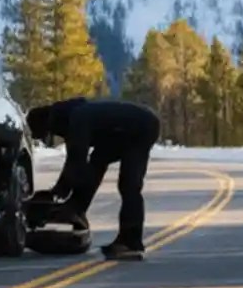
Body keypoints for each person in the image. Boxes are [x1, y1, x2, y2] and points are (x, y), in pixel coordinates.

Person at [25, 98, 160, 261]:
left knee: (129, 185)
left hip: (141, 127)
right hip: (123, 129)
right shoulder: (73, 113)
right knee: (97, 164)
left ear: (48, 124)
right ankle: (77, 209)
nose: (52, 138)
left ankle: (130, 242)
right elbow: (78, 164)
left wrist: (56, 193)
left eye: (47, 134)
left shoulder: (78, 118)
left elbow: (76, 161)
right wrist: (64, 195)